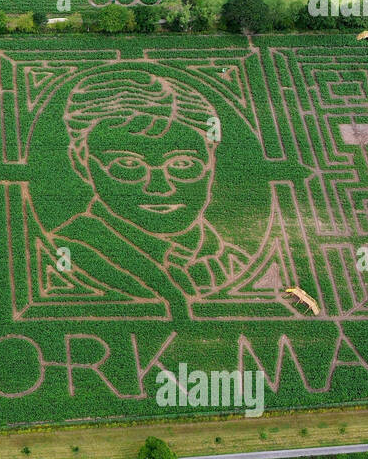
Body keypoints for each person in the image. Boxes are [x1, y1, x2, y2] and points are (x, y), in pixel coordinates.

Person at [40, 69, 251, 312]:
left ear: (211, 160)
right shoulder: (74, 251)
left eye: (182, 164)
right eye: (128, 164)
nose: (159, 187)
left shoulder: (231, 258)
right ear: (81, 162)